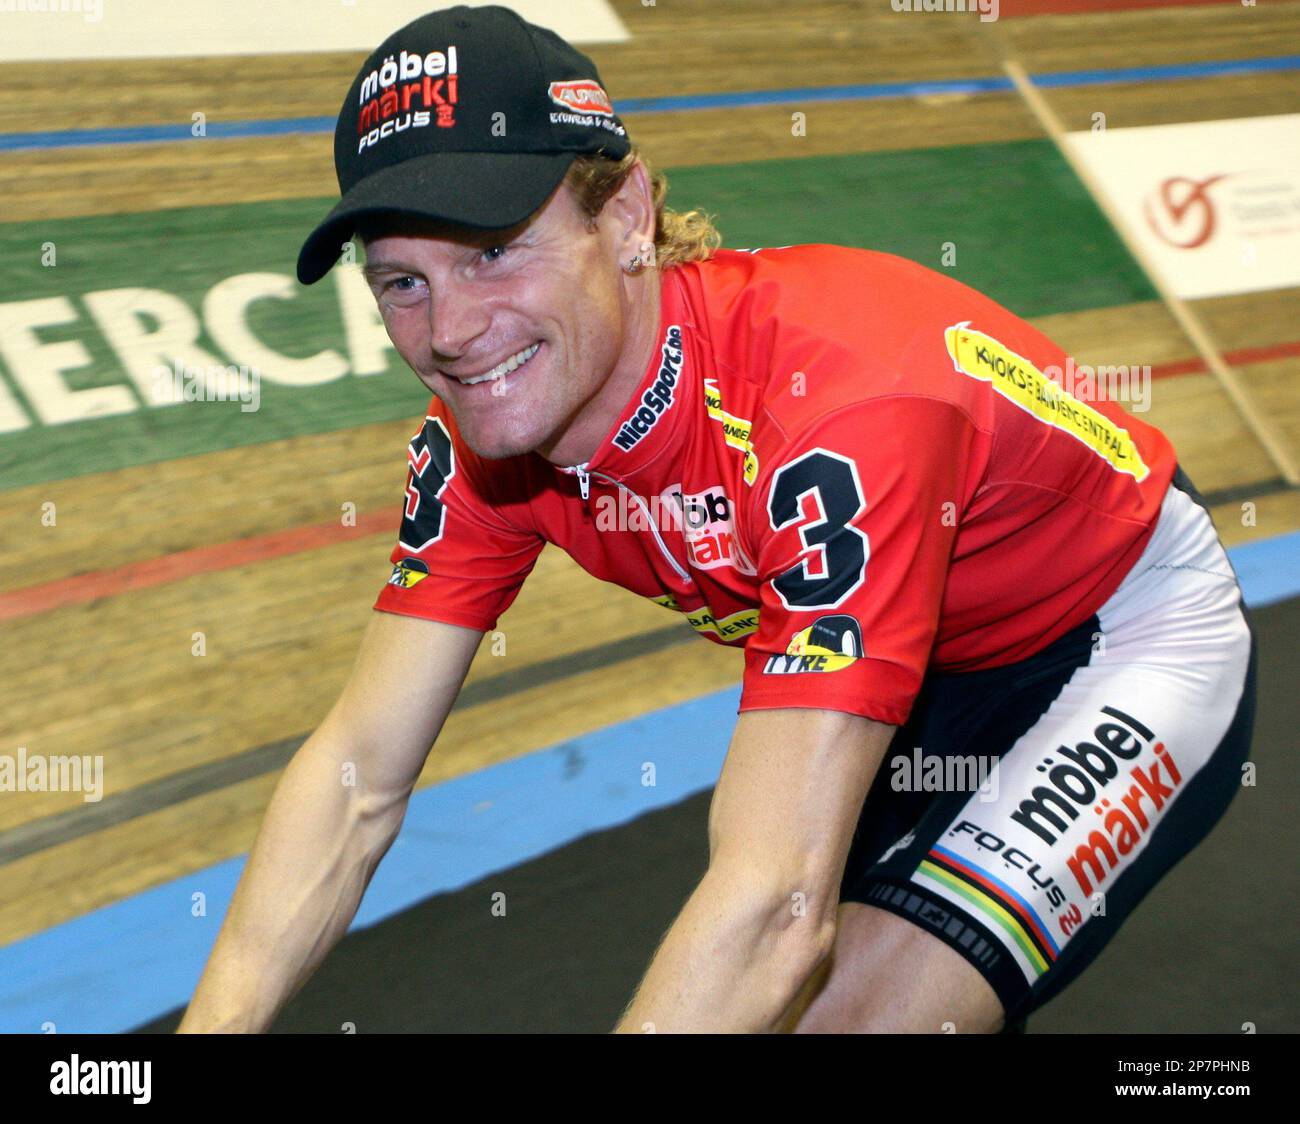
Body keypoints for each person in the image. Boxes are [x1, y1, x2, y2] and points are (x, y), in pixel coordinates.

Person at [179, 4, 1257, 1034]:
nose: (451, 331)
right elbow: (356, 777)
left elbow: (777, 910)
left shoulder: (837, 410)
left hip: (1118, 633)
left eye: (493, 252)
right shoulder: (481, 437)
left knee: (834, 1004)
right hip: (919, 656)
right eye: (401, 282)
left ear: (627, 216)